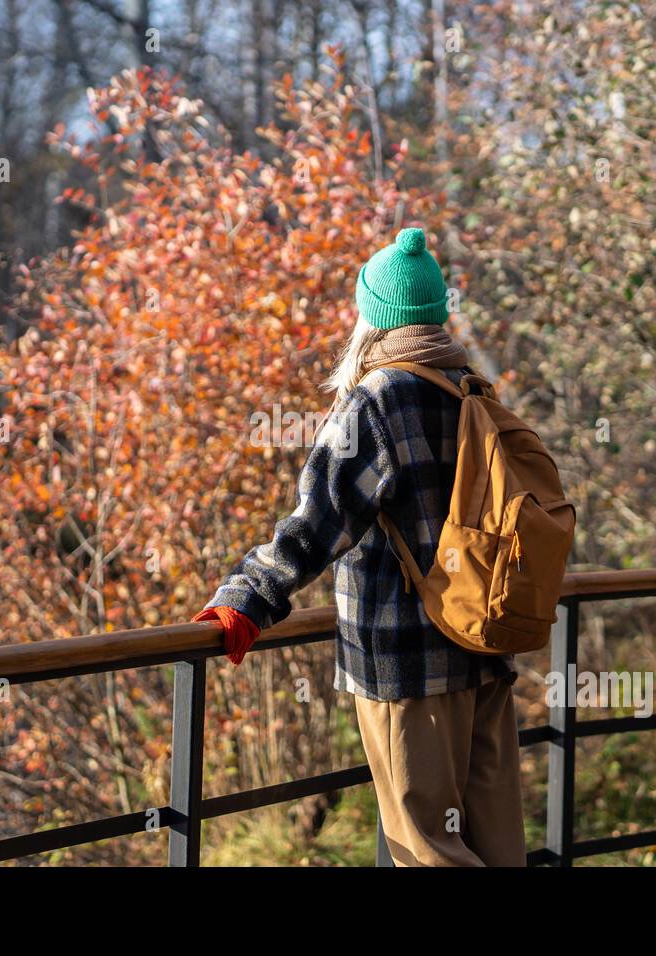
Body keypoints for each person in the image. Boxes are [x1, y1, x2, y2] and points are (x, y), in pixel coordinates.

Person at [195, 227, 527, 866]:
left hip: (409, 663)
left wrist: (247, 597)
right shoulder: (471, 390)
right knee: (496, 845)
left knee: (426, 847)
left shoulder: (377, 402)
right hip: (486, 649)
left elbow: (319, 521)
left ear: (372, 319)